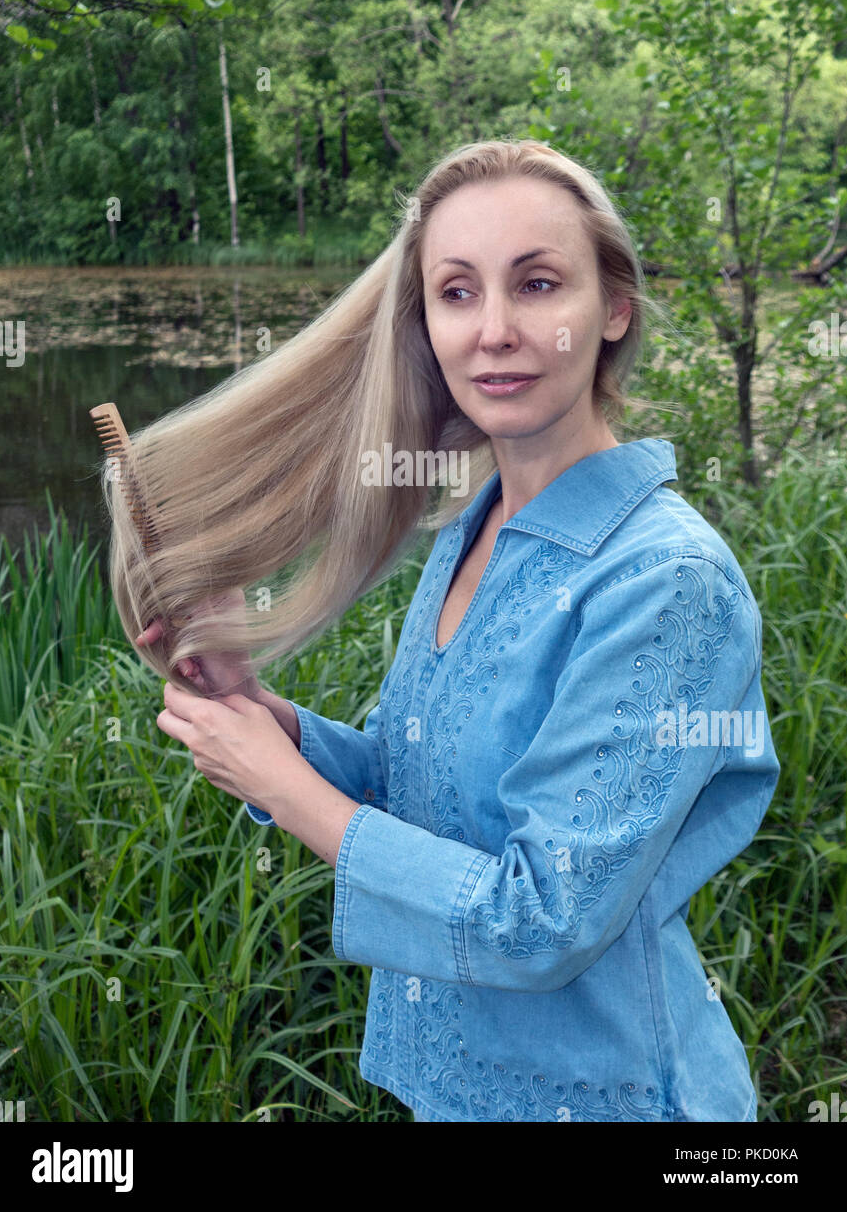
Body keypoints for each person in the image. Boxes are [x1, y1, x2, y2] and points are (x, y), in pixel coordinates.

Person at [119, 138, 779, 1123]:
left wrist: (282, 786)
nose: (496, 331)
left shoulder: (663, 584)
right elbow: (407, 778)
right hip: (456, 1090)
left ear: (612, 308)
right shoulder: (475, 530)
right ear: (423, 326)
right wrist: (264, 718)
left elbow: (538, 919)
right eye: (457, 293)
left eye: (538, 283)